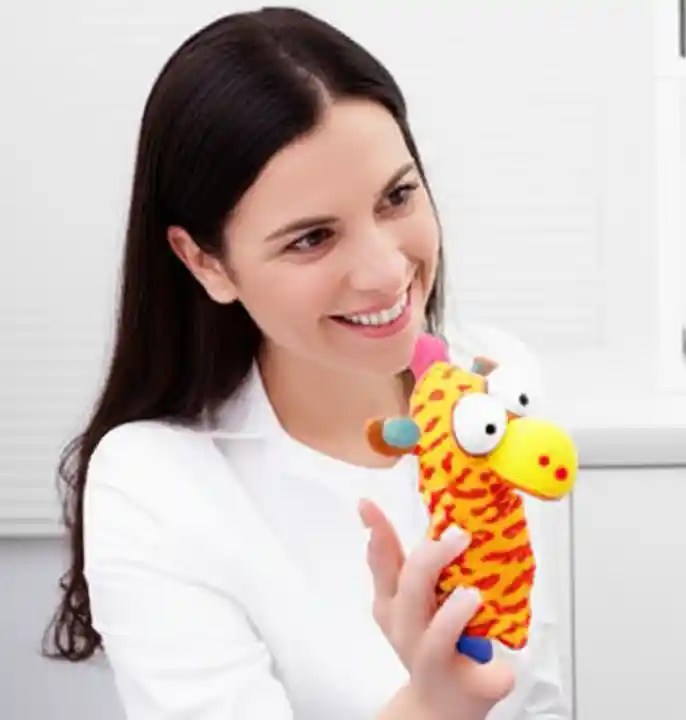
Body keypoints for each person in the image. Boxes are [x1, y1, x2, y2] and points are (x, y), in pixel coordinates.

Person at [42, 8, 569, 720]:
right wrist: (434, 708)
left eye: (397, 196)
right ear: (204, 261)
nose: (385, 273)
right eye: (312, 238)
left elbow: (539, 699)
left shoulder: (499, 379)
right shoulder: (156, 482)